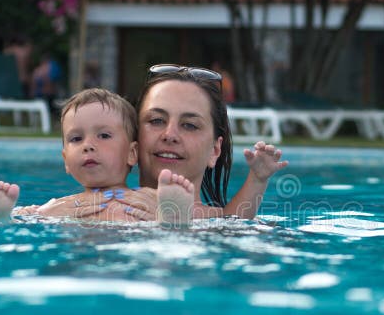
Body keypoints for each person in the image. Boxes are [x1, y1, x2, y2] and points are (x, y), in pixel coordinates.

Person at [63, 64, 288, 221]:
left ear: (214, 150)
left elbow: (237, 221)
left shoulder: (211, 220)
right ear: (134, 141)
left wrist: (257, 180)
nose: (170, 134)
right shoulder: (83, 204)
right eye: (156, 120)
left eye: (190, 125)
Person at [0, 88, 195, 226]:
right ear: (66, 160)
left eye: (104, 135)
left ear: (131, 153)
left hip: (139, 241)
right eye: (76, 139)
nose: (88, 145)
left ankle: (173, 220)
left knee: (168, 219)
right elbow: (30, 216)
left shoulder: (150, 197)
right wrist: (8, 213)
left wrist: (168, 207)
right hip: (87, 248)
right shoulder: (58, 205)